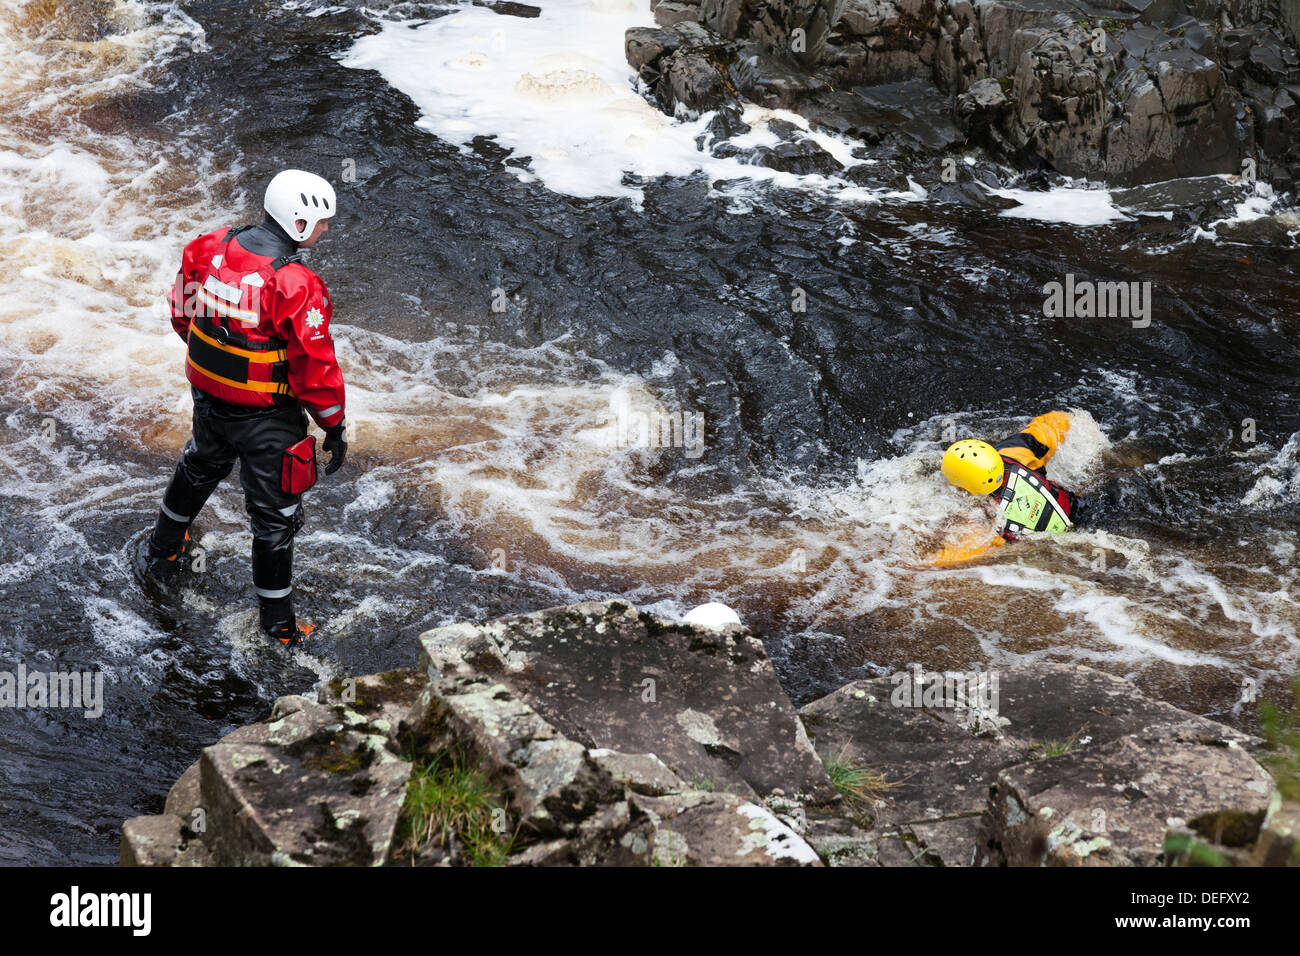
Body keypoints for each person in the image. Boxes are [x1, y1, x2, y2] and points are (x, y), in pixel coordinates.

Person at [142, 170, 347, 645]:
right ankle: (279, 629)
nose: (326, 231)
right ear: (298, 224)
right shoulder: (297, 284)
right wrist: (333, 427)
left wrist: (218, 369)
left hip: (209, 399)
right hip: (268, 419)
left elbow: (181, 312)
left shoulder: (208, 246)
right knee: (275, 518)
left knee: (200, 464)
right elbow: (314, 366)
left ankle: (162, 554)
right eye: (321, 223)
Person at [940, 411, 1080, 544]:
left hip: (1057, 546)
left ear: (963, 489)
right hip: (1081, 509)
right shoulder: (1011, 454)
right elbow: (1052, 424)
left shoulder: (982, 526)